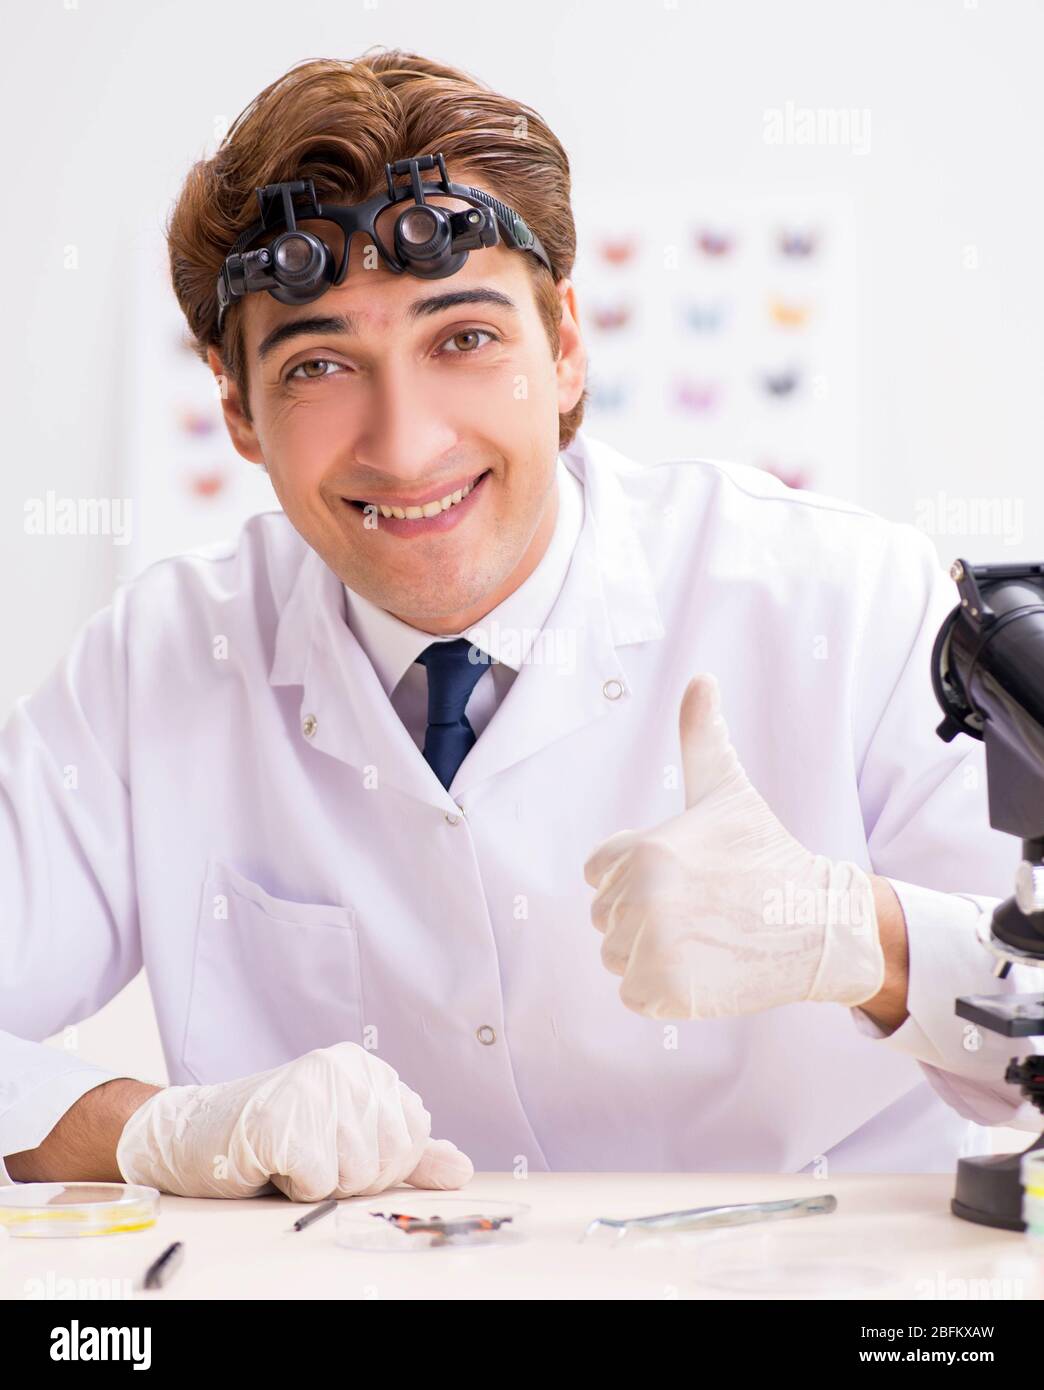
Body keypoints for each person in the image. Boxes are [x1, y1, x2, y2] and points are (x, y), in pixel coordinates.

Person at [2, 49, 1039, 1202]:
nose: (405, 444)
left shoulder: (843, 603)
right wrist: (161, 1133)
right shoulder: (157, 667)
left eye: (463, 339)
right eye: (321, 365)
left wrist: (865, 940)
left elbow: (1033, 1049)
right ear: (237, 408)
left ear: (566, 346)